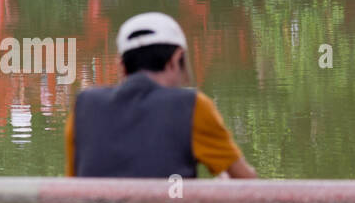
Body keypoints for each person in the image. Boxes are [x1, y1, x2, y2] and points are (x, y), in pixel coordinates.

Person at [66, 12, 257, 179]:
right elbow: (246, 180)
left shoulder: (84, 107)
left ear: (122, 67)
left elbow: (73, 182)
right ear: (176, 60)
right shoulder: (193, 107)